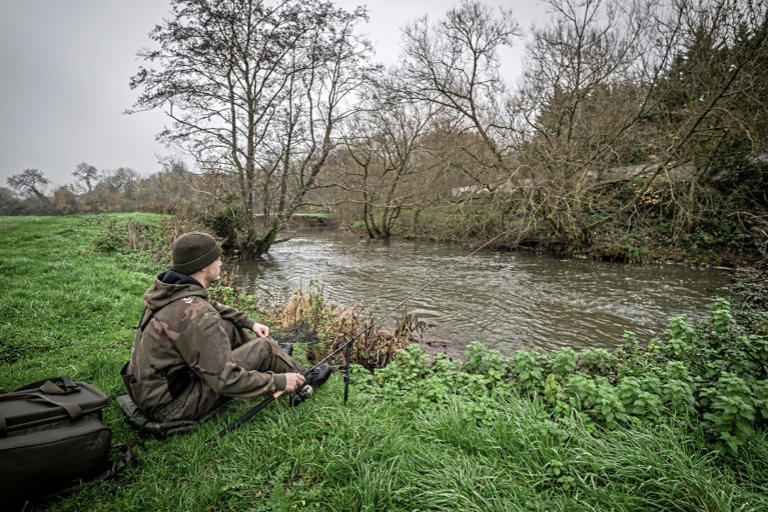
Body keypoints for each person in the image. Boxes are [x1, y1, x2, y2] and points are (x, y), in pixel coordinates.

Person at [121, 232, 330, 422]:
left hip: (149, 392)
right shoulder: (199, 316)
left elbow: (214, 307)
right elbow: (226, 381)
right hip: (169, 407)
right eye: (217, 258)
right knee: (264, 347)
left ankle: (270, 360)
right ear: (203, 266)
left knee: (229, 325)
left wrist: (251, 323)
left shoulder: (172, 291)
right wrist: (279, 382)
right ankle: (304, 377)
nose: (221, 263)